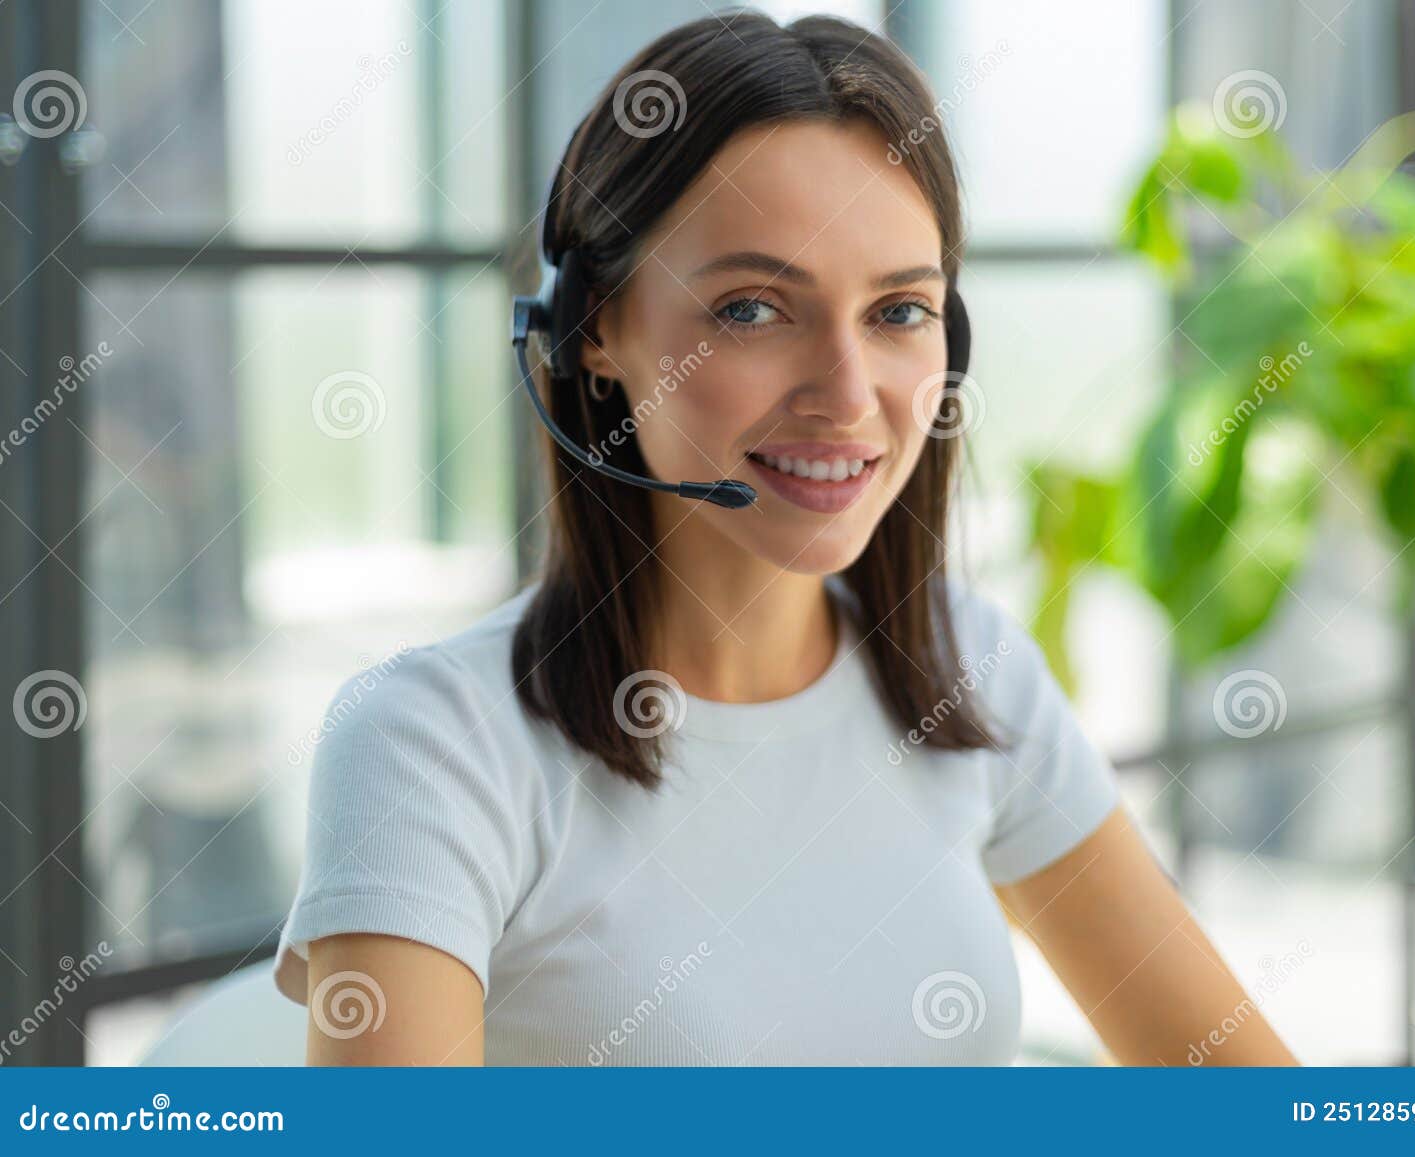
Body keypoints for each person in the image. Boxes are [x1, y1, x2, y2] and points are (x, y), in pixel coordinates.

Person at [272, 10, 1298, 1068]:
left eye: (898, 312)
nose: (847, 397)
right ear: (596, 330)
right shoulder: (433, 745)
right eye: (753, 310)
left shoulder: (968, 667)